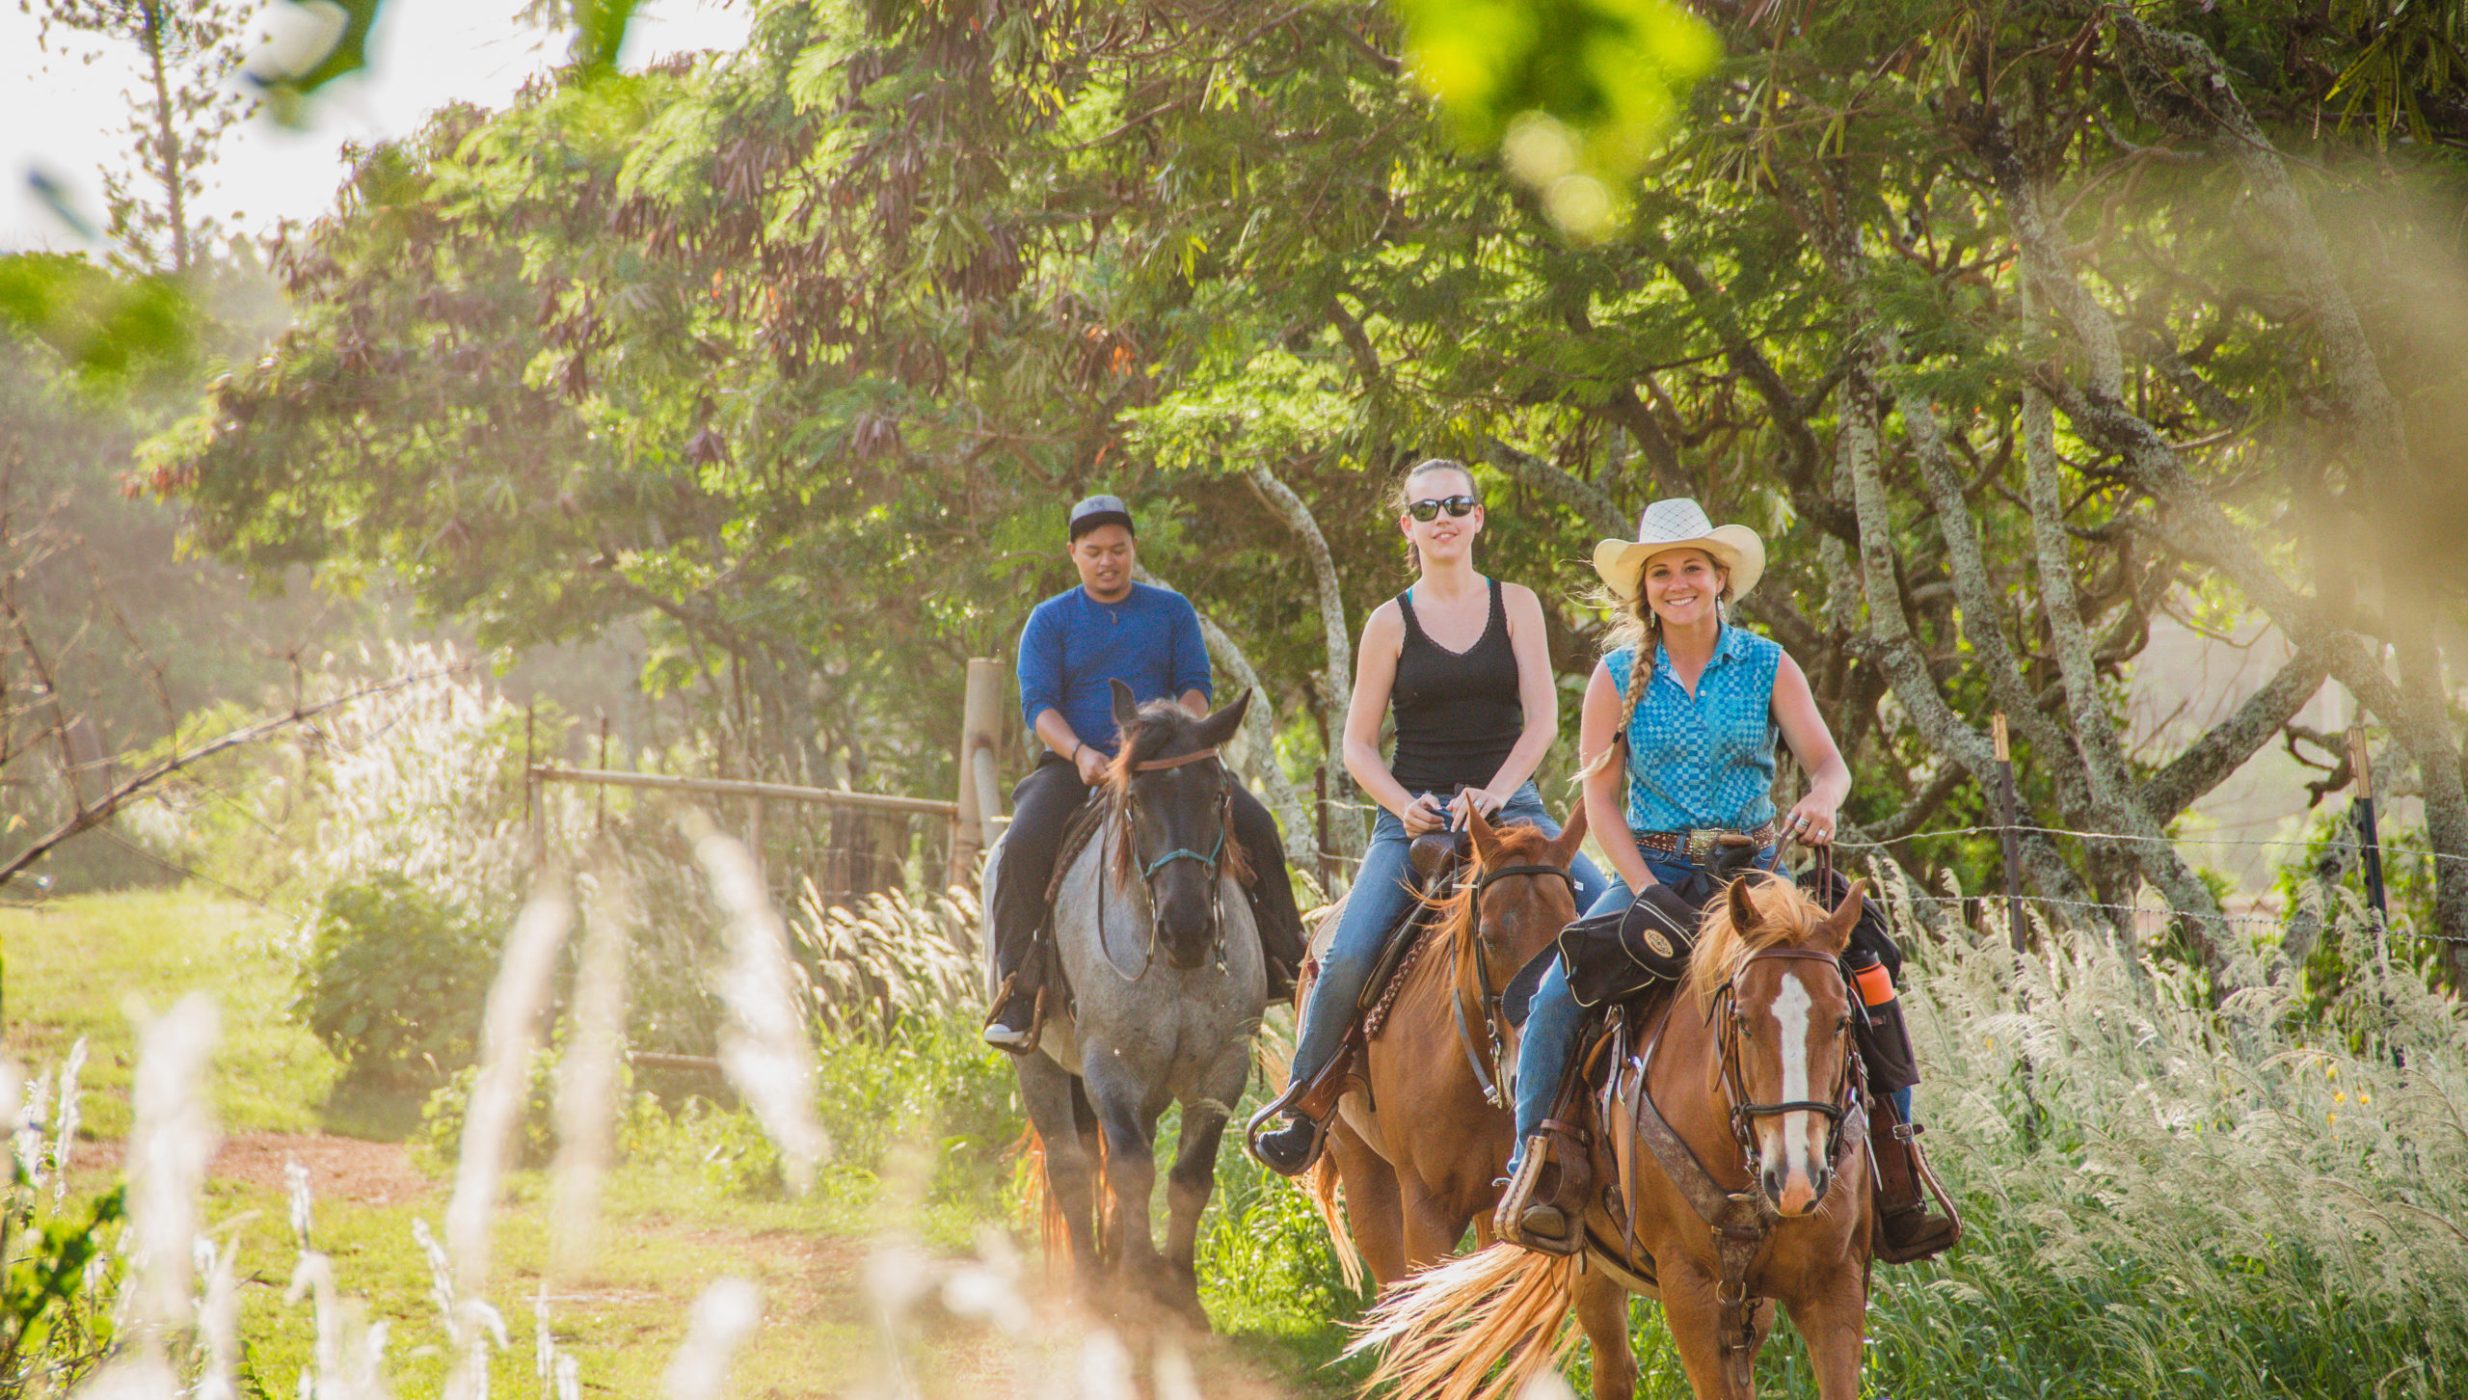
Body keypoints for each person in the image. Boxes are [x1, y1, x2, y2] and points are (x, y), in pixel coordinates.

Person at [1494, 498, 1955, 1260]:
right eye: (1662, 573)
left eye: (1693, 569)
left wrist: (1821, 800)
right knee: (1556, 994)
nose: (1678, 583)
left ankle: (1897, 1168)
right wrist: (1642, 888)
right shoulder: (1614, 678)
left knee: (1868, 977)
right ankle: (1537, 1171)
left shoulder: (1768, 664)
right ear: (1645, 589)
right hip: (1654, 870)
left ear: (1720, 579)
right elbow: (1600, 803)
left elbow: (1829, 765)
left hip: (1757, 875)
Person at [1251, 459, 1607, 1177]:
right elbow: (1357, 745)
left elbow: (1543, 722)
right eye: (1426, 509)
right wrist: (1401, 804)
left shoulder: (1516, 605)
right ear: (1407, 527)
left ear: (1478, 517)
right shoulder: (1390, 621)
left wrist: (1495, 795)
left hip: (1511, 809)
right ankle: (1306, 1106)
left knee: (1605, 916)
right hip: (1414, 819)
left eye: (1456, 504)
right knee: (1347, 954)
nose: (1442, 517)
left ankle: (1616, 1095)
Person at [983, 494, 1307, 1052]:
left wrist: (1184, 738)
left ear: (1134, 548)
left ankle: (1288, 958)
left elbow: (1196, 688)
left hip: (1168, 763)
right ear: (1073, 554)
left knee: (1256, 823)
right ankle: (1019, 987)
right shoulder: (1050, 620)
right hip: (1077, 765)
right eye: (1094, 552)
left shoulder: (1171, 610)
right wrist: (1080, 753)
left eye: (1118, 549)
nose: (1107, 561)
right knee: (1024, 841)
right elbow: (1038, 706)